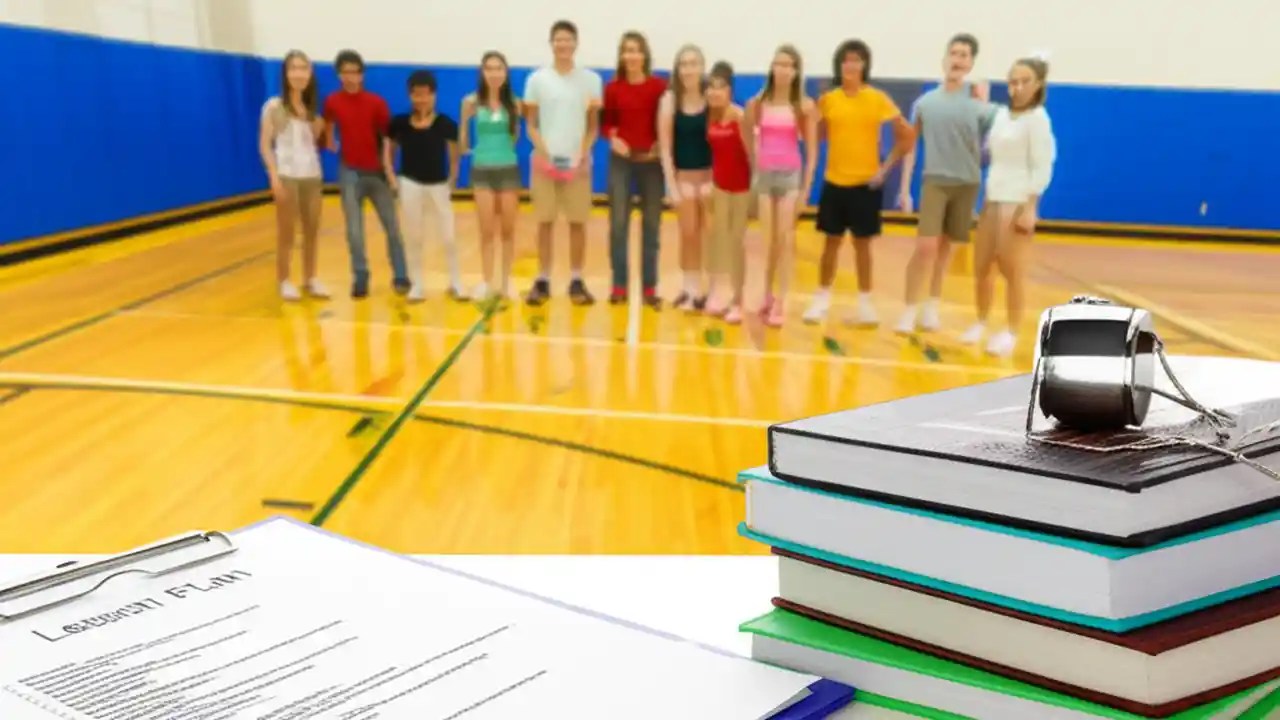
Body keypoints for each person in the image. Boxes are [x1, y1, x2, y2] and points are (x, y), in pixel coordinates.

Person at [803, 39, 915, 327]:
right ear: (839, 66)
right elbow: (818, 135)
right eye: (846, 60)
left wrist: (885, 168)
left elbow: (907, 136)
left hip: (865, 185)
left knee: (863, 247)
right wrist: (811, 115)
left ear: (864, 65)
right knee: (830, 244)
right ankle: (821, 299)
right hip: (834, 183)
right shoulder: (830, 100)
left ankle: (866, 304)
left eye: (856, 60)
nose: (851, 65)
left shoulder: (877, 98)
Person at [894, 33, 992, 334]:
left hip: (967, 182)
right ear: (945, 58)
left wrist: (984, 105)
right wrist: (904, 189)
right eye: (954, 53)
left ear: (971, 63)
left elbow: (988, 149)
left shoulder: (978, 104)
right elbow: (911, 147)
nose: (958, 59)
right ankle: (909, 309)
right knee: (925, 246)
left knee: (946, 249)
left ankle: (931, 307)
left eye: (964, 55)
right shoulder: (926, 102)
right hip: (935, 180)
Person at [960, 56, 1056, 357]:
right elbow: (990, 151)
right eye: (1013, 81)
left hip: (1017, 202)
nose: (1017, 87)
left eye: (1025, 81)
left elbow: (1042, 167)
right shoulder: (1002, 115)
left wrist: (1031, 207)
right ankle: (981, 321)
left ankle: (1012, 331)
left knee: (1012, 270)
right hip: (992, 198)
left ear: (1038, 84)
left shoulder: (1038, 119)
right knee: (982, 265)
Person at [523, 20, 604, 306]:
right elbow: (530, 125)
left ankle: (576, 279)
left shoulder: (592, 81)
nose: (563, 44)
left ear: (576, 43)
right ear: (551, 43)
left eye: (568, 39)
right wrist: (545, 154)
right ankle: (543, 279)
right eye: (558, 39)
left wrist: (582, 154)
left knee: (577, 223)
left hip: (578, 166)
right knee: (544, 221)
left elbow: (593, 127)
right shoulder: (536, 80)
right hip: (544, 165)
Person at [323, 49, 409, 298]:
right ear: (339, 74)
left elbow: (389, 139)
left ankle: (401, 274)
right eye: (345, 72)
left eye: (355, 72)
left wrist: (389, 170)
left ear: (362, 74)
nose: (350, 77)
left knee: (392, 226)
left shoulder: (376, 103)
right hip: (350, 172)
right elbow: (328, 121)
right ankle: (360, 275)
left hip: (377, 173)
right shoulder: (332, 101)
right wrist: (329, 139)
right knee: (354, 230)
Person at [745, 45, 817, 328]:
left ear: (796, 71)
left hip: (790, 178)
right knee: (769, 241)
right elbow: (749, 136)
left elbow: (811, 153)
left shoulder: (804, 106)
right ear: (771, 68)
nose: (783, 69)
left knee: (786, 241)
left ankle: (781, 301)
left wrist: (806, 189)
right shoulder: (758, 103)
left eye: (788, 65)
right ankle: (766, 293)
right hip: (765, 177)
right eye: (778, 64)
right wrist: (754, 169)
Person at [384, 70, 463, 303]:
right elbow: (388, 151)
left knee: (448, 236)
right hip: (409, 184)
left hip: (438, 185)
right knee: (414, 236)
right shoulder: (399, 123)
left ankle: (456, 282)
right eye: (416, 95)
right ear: (410, 95)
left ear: (434, 95)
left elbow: (454, 155)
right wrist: (391, 177)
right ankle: (417, 284)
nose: (421, 99)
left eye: (426, 94)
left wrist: (452, 180)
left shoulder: (445, 123)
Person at [603, 31, 667, 307]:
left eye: (636, 50)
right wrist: (613, 138)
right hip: (622, 163)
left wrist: (659, 146)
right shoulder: (613, 88)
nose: (631, 56)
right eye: (626, 50)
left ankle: (650, 286)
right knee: (618, 224)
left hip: (652, 165)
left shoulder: (659, 87)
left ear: (645, 55)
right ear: (621, 56)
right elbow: (607, 123)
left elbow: (666, 122)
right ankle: (619, 284)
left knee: (652, 225)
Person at [258, 49, 328, 301]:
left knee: (312, 229)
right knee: (287, 230)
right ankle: (284, 279)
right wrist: (274, 176)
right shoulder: (274, 107)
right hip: (287, 174)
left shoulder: (311, 112)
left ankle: (310, 277)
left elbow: (316, 143)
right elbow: (265, 145)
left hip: (312, 175)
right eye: (294, 68)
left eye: (304, 68)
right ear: (286, 74)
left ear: (310, 74)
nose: (299, 74)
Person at [460, 51, 522, 304]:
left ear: (506, 73)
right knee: (486, 231)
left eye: (499, 68)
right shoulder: (471, 102)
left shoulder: (515, 104)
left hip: (507, 170)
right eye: (489, 68)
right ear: (482, 72)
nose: (494, 73)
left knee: (507, 230)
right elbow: (463, 139)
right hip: (482, 171)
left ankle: (506, 282)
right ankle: (486, 281)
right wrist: (474, 149)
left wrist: (501, 152)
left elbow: (515, 137)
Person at [657, 44, 713, 313]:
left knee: (712, 236)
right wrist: (672, 185)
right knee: (688, 235)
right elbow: (666, 148)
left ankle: (712, 290)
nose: (689, 69)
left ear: (702, 68)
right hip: (684, 178)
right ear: (677, 70)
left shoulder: (712, 98)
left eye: (694, 63)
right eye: (684, 64)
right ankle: (690, 289)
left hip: (711, 178)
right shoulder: (669, 100)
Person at [704, 61, 753, 324]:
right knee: (717, 241)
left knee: (737, 243)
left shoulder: (740, 116)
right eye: (710, 88)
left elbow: (752, 154)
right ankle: (718, 294)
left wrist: (755, 191)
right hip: (720, 187)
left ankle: (738, 300)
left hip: (742, 188)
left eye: (720, 88)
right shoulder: (709, 117)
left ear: (730, 91)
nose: (714, 93)